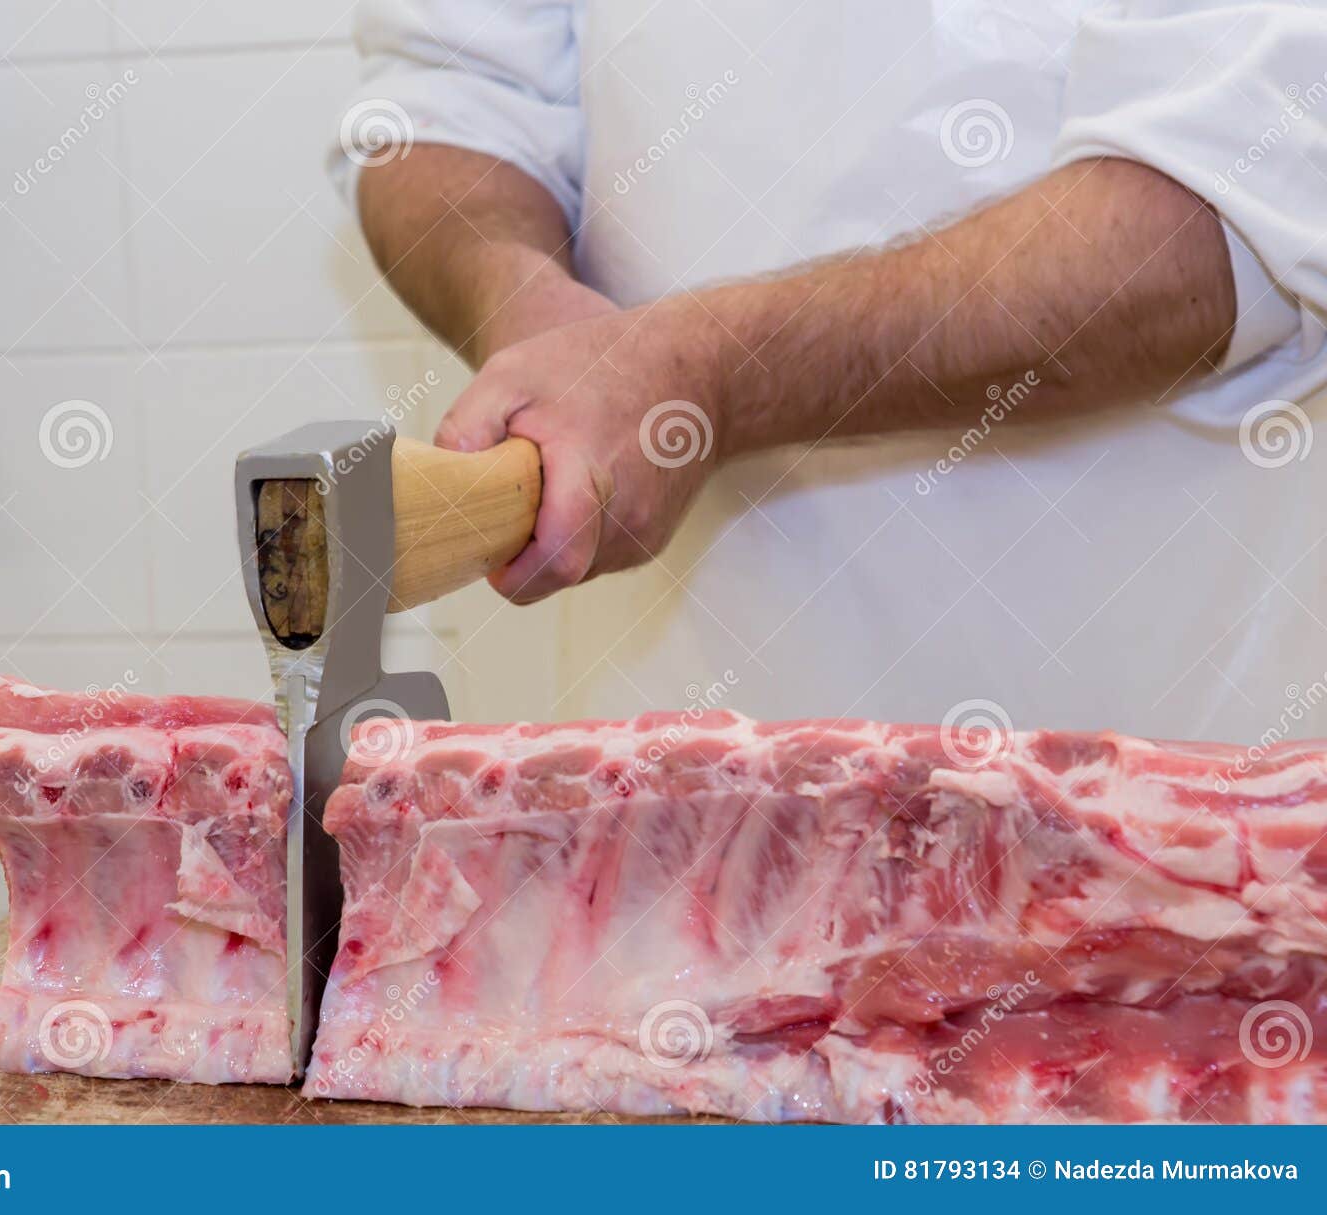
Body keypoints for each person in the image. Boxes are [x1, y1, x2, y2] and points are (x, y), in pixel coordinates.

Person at [330, 0, 1327, 741]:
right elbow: (448, 92)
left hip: (1167, 819)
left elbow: (1220, 214)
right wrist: (532, 316)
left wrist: (704, 375)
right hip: (681, 806)